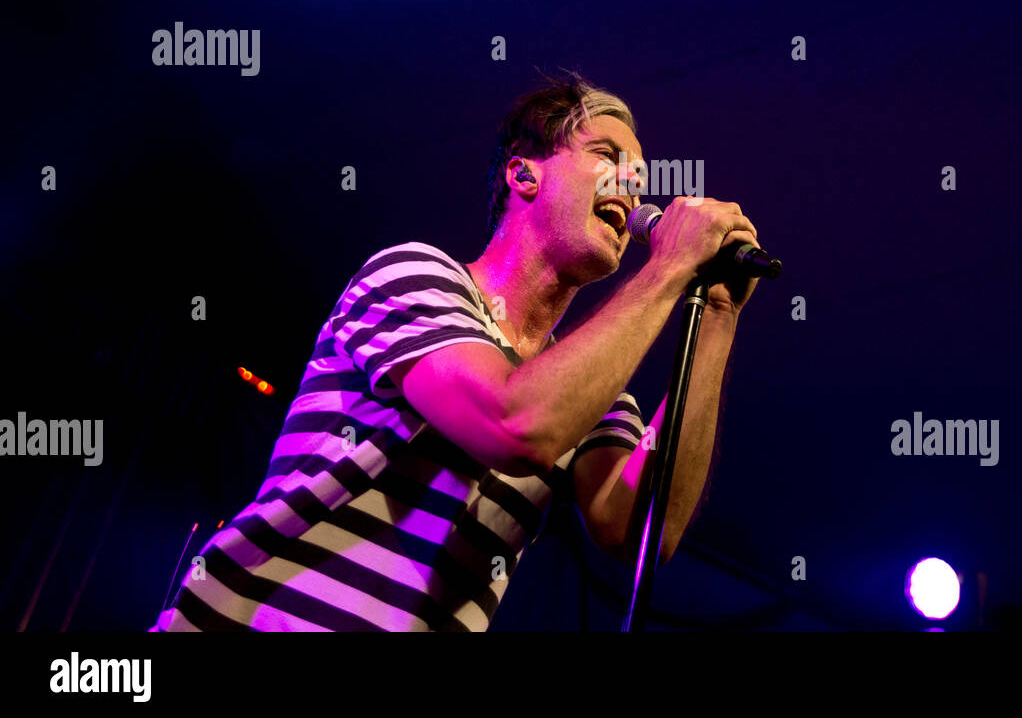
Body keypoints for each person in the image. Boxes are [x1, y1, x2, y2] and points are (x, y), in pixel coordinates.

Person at [150, 74, 762, 631]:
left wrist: (717, 317)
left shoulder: (595, 399)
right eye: (607, 157)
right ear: (524, 175)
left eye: (639, 177)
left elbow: (639, 533)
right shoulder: (413, 275)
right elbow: (514, 423)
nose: (631, 186)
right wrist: (669, 269)